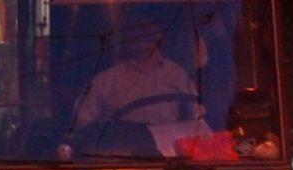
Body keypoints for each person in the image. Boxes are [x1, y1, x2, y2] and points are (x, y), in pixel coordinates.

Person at [72, 10, 200, 131]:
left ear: (160, 35)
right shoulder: (105, 80)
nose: (145, 34)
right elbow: (82, 122)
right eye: (139, 29)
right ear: (128, 35)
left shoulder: (177, 74)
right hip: (121, 150)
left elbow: (197, 116)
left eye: (150, 28)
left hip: (169, 150)